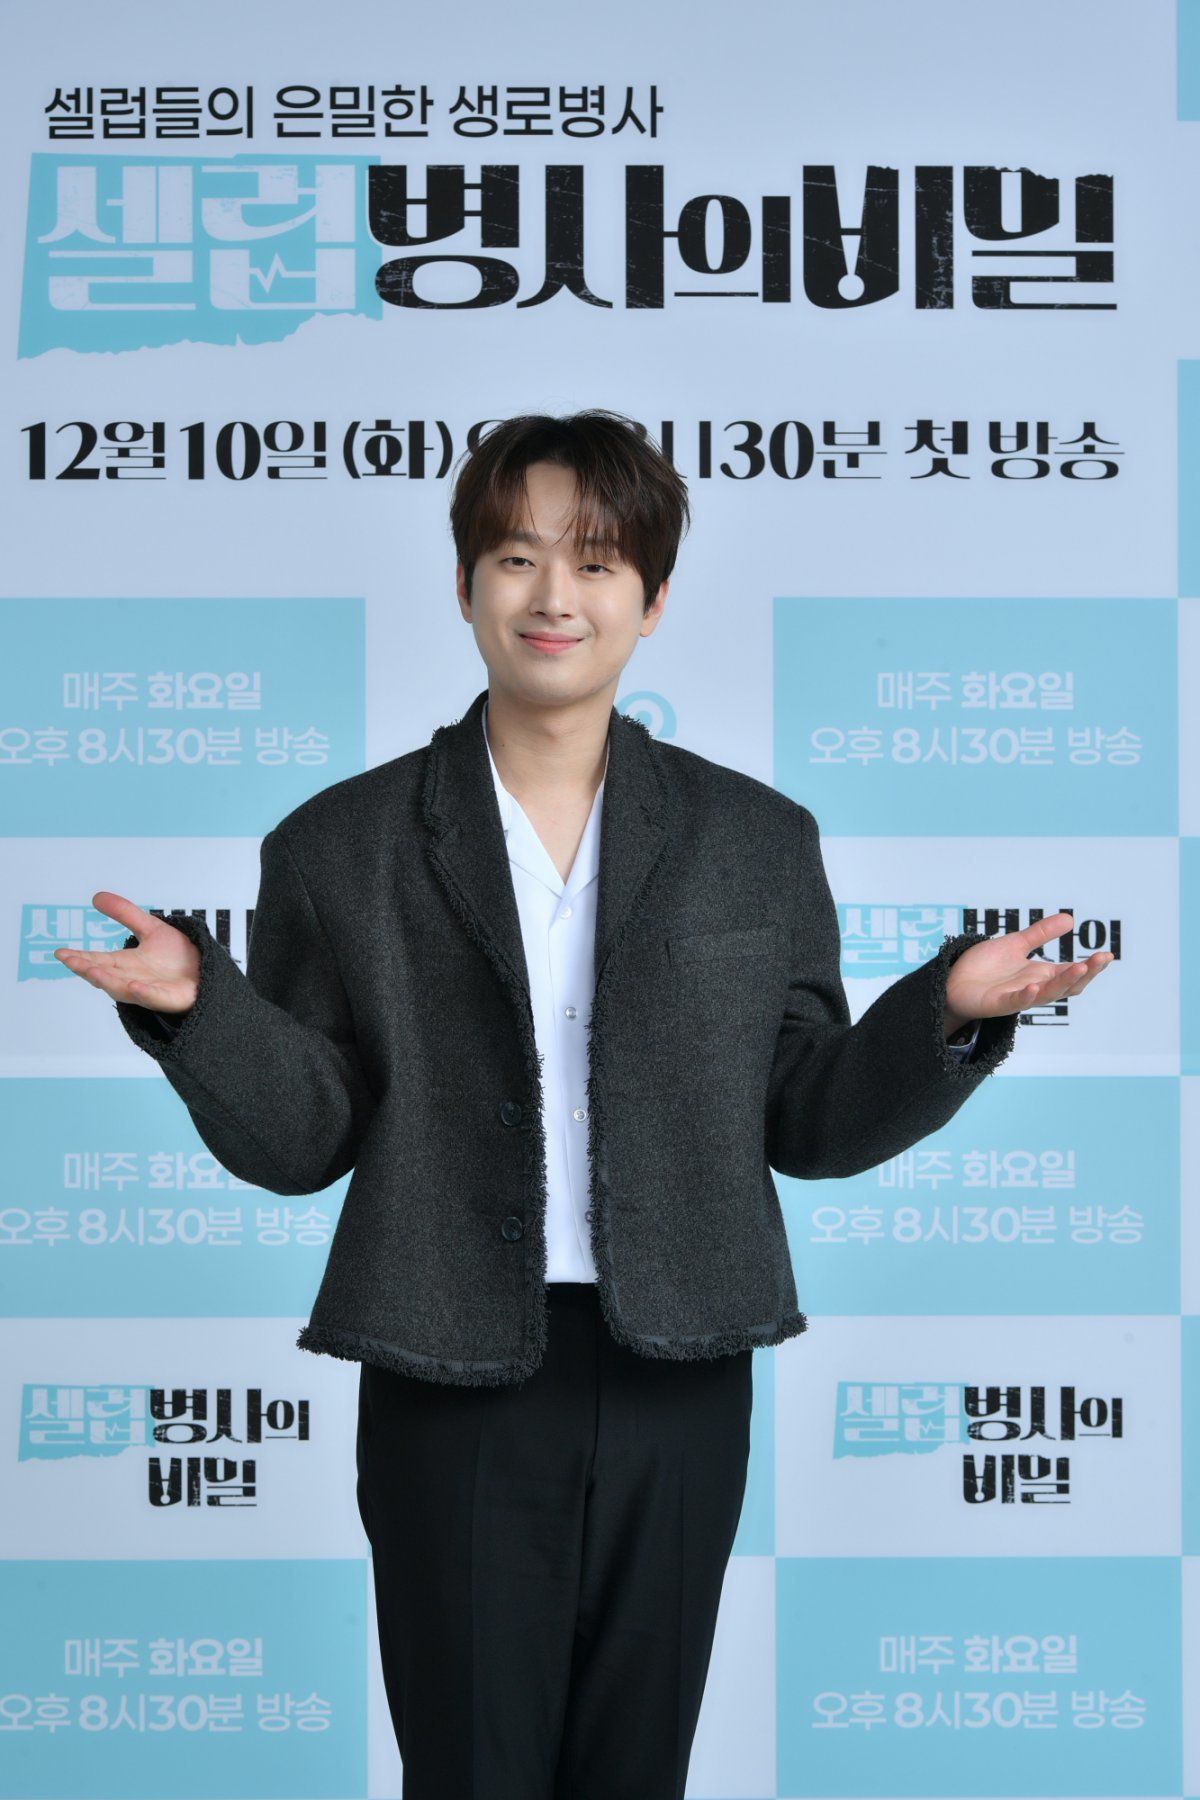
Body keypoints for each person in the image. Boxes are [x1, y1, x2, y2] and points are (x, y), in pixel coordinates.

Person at [55, 410, 1113, 1800]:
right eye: (517, 558)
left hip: (682, 1361)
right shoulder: (338, 844)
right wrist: (202, 1012)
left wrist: (946, 1017)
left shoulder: (757, 839)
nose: (554, 596)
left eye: (597, 563)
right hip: (443, 1363)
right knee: (472, 1769)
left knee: (636, 1770)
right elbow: (307, 1140)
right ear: (464, 585)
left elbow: (806, 1120)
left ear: (651, 599)